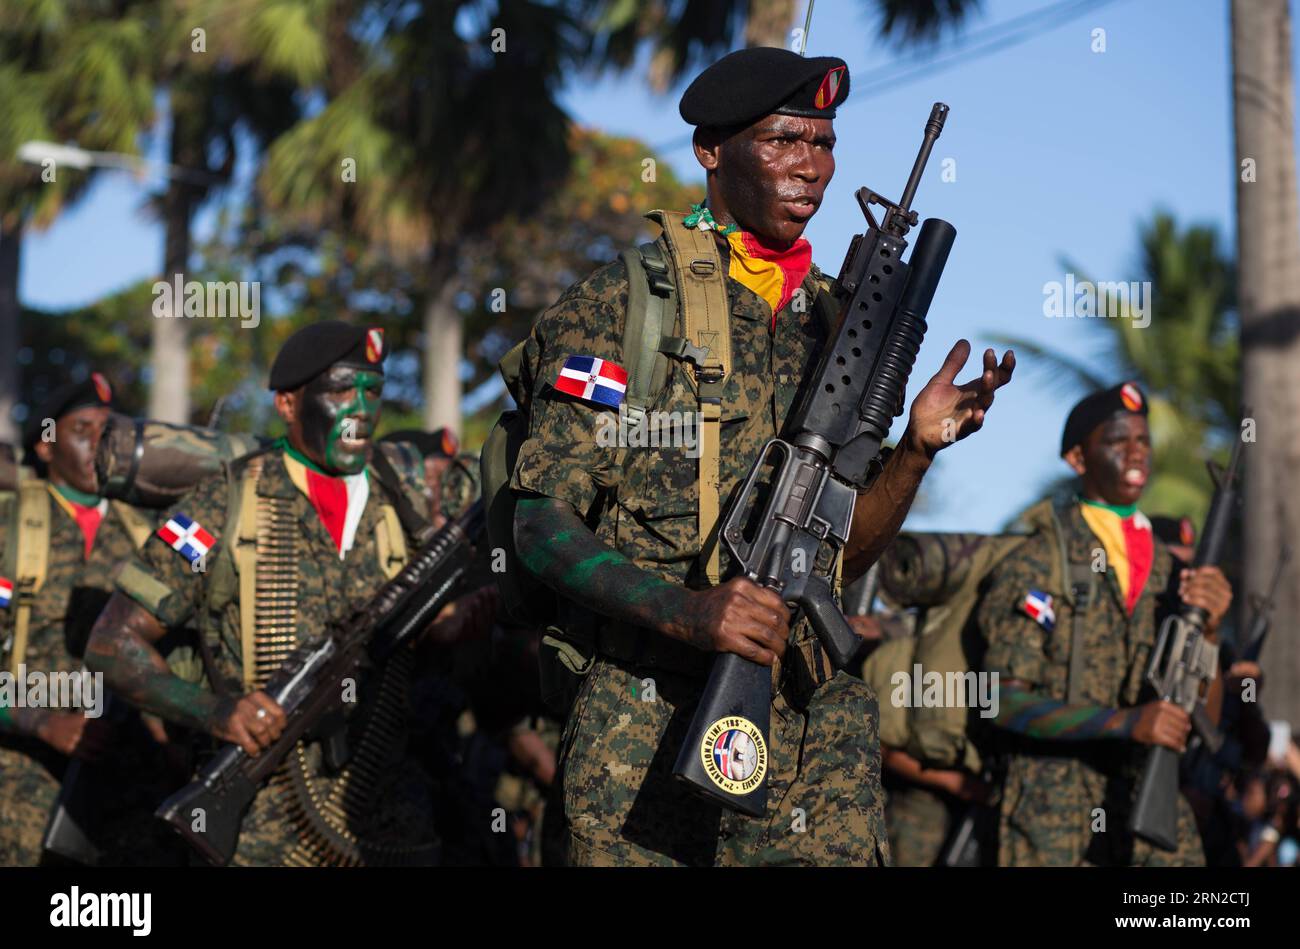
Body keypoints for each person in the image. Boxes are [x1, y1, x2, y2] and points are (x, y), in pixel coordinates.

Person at [509, 46, 1015, 866]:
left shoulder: (836, 322)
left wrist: (917, 451)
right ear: (711, 150)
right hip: (643, 733)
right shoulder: (626, 306)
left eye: (824, 143)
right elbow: (538, 523)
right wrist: (687, 612)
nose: (811, 167)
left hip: (819, 747)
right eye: (784, 140)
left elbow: (839, 558)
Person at [85, 322, 444, 866]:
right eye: (341, 390)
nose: (362, 409)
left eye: (372, 391)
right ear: (287, 404)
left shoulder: (403, 501)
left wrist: (452, 625)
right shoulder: (225, 502)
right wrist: (216, 711)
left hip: (384, 827)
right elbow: (112, 642)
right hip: (262, 832)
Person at [978, 382, 1232, 866]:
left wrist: (1212, 632)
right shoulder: (1041, 558)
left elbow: (1207, 720)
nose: (1137, 452)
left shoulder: (1172, 573)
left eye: (1143, 440)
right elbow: (999, 701)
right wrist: (1125, 723)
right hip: (1055, 815)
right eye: (1117, 440)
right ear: (1078, 458)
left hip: (1149, 812)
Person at [0, 375, 175, 865]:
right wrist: (40, 719)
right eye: (83, 431)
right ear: (46, 445)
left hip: (131, 781)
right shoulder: (11, 526)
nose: (101, 444)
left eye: (110, 432)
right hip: (22, 780)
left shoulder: (146, 530)